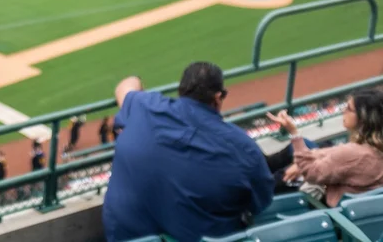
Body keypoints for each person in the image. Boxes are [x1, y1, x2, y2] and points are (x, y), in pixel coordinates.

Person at [102, 63, 274, 242]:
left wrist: (138, 83)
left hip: (127, 236)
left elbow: (126, 85)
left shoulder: (145, 106)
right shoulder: (243, 146)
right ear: (217, 98)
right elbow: (260, 204)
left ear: (181, 91)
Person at [266, 89, 383, 205]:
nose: (343, 111)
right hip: (355, 206)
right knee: (309, 146)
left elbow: (309, 171)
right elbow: (337, 154)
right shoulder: (372, 148)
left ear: (363, 117)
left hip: (329, 211)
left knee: (289, 175)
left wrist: (294, 133)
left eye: (349, 109)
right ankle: (263, 167)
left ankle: (259, 182)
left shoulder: (354, 153)